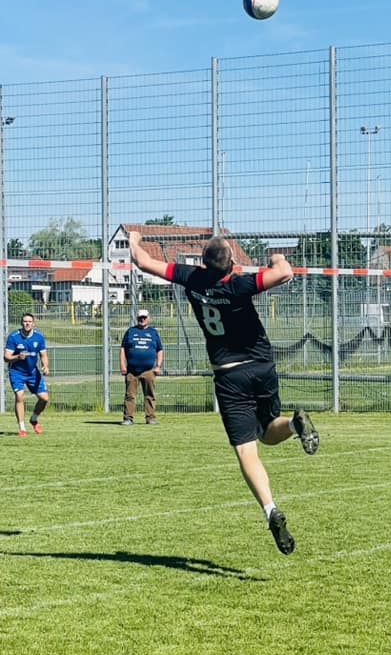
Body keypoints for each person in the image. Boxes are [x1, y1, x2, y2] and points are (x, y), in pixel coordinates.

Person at [128, 231, 319, 556]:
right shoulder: (240, 283)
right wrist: (275, 259)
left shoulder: (192, 278)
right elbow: (284, 271)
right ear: (231, 262)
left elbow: (143, 262)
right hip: (260, 365)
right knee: (270, 429)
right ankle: (293, 425)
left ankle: (271, 510)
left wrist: (133, 240)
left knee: (248, 451)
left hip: (228, 376)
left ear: (202, 263)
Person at [4, 312, 50, 437]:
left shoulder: (39, 337)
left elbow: (43, 355)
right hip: (16, 372)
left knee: (44, 398)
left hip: (33, 372)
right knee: (19, 396)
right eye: (25, 321)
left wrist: (45, 366)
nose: (27, 323)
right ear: (21, 323)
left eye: (29, 321)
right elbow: (6, 357)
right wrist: (18, 356)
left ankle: (34, 419)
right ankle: (22, 428)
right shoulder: (14, 337)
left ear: (33, 323)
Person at [120, 309, 164, 425]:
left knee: (150, 395)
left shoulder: (153, 333)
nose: (142, 319)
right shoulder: (130, 331)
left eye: (144, 317)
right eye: (140, 318)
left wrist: (158, 366)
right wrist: (123, 365)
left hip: (149, 370)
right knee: (130, 396)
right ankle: (128, 418)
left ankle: (151, 418)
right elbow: (123, 349)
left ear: (148, 318)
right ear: (137, 318)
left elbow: (160, 350)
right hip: (132, 371)